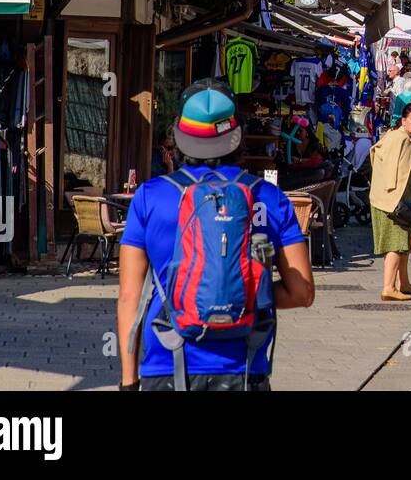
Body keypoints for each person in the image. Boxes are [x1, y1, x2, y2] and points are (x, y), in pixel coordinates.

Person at [117, 80, 313, 391]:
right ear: (237, 138)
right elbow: (302, 292)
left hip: (166, 362)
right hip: (244, 367)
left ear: (179, 138)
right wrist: (241, 293)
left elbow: (129, 297)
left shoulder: (150, 197)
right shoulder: (270, 198)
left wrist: (129, 382)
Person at [369, 102, 411, 301]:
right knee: (396, 244)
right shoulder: (401, 140)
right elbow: (399, 169)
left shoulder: (397, 136)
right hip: (391, 202)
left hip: (391, 200)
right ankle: (388, 287)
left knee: (403, 243)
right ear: (404, 121)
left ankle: (404, 282)